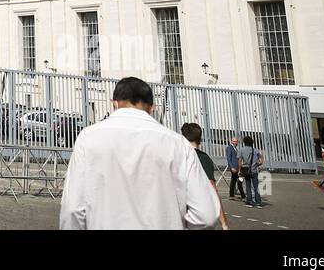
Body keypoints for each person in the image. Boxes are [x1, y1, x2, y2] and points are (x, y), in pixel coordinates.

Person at [59, 77, 220, 230]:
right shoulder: (178, 144)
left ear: (114, 104)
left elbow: (73, 210)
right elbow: (206, 215)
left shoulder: (89, 138)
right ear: (152, 108)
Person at [182, 122, 228, 230]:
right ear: (200, 140)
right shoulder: (202, 158)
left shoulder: (176, 156)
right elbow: (212, 188)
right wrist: (224, 223)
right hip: (197, 215)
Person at [238, 134, 265, 209]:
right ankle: (259, 203)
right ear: (252, 142)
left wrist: (239, 170)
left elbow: (240, 161)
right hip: (254, 170)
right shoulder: (255, 150)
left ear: (244, 142)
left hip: (246, 170)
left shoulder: (241, 150)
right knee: (256, 186)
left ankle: (249, 202)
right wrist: (259, 163)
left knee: (248, 186)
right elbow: (261, 158)